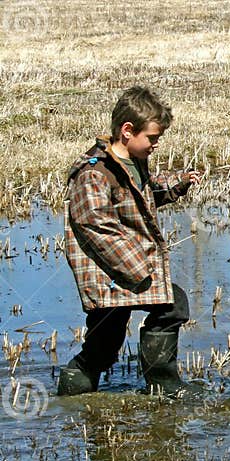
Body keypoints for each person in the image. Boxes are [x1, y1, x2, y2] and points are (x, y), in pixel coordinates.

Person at [58, 86, 201, 398]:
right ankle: (78, 395)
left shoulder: (132, 164)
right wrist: (139, 268)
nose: (156, 145)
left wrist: (177, 184)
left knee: (110, 340)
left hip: (125, 272)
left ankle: (160, 384)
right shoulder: (94, 173)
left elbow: (141, 197)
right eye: (152, 138)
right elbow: (94, 224)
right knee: (108, 343)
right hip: (111, 275)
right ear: (127, 131)